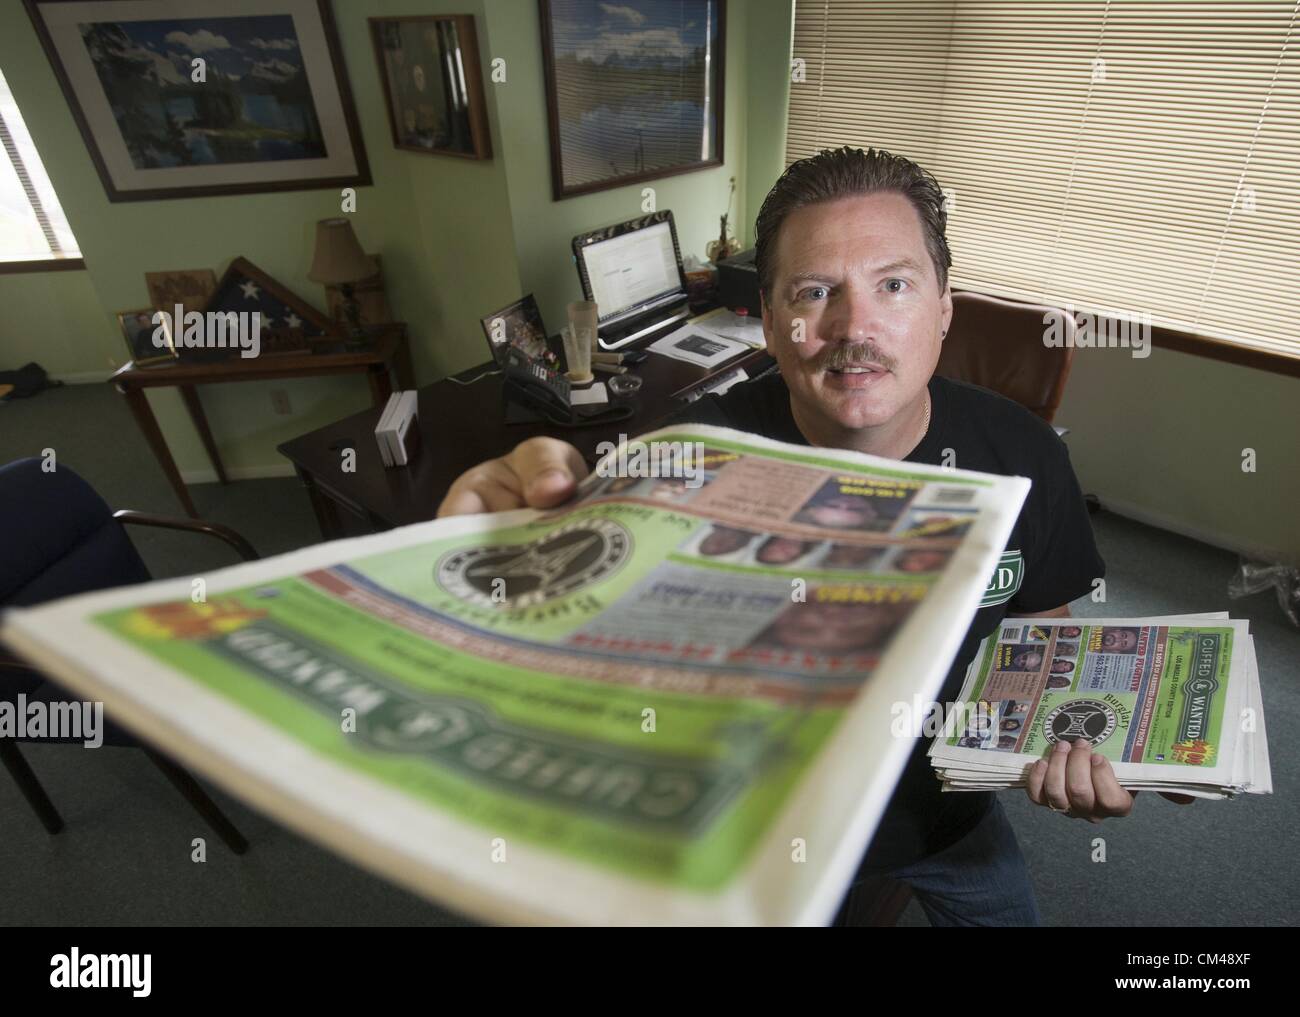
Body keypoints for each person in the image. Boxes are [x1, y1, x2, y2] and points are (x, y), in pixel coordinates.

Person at [437, 146, 1192, 926]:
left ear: (943, 310)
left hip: (948, 818)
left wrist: (1102, 744)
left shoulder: (1026, 455)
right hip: (759, 830)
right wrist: (515, 555)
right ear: (768, 323)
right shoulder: (694, 450)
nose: (853, 326)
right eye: (814, 292)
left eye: (893, 285)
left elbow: (1043, 641)